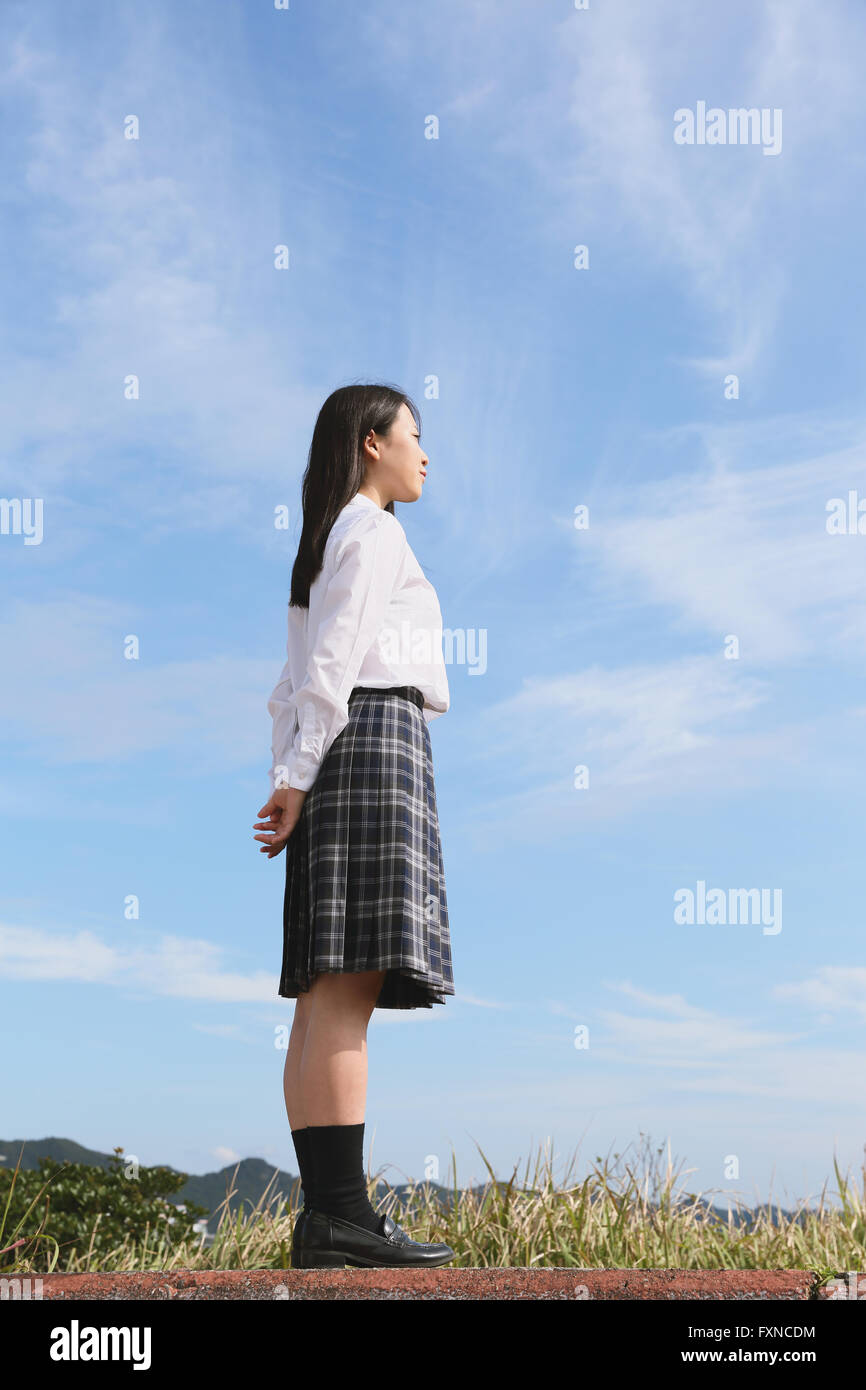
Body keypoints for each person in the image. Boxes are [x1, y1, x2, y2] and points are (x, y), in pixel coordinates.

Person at [253, 384, 456, 1269]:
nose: (424, 454)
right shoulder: (371, 531)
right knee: (346, 991)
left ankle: (325, 1217)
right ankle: (340, 1215)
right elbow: (328, 665)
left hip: (337, 747)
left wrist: (291, 774)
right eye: (414, 436)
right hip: (372, 741)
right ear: (371, 444)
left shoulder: (321, 544)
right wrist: (295, 778)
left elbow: (289, 685)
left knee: (322, 995)